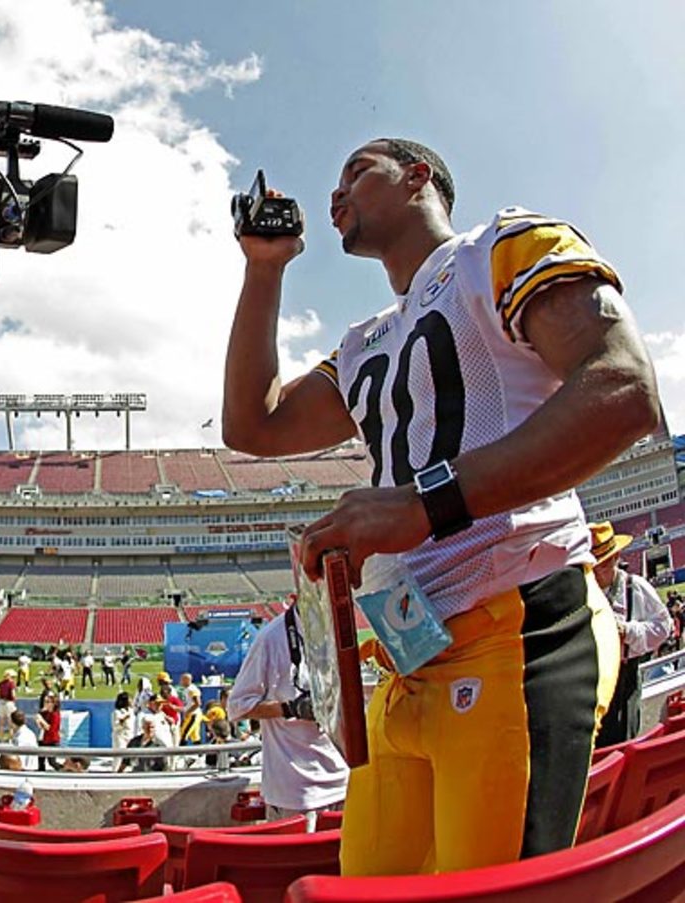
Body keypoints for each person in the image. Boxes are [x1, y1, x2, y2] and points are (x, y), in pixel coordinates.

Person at [223, 138, 658, 873]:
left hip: (517, 616)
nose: (336, 194)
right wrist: (264, 270)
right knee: (370, 891)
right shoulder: (364, 343)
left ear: (418, 175)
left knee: (486, 894)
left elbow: (623, 388)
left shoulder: (503, 247)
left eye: (357, 171)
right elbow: (252, 424)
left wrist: (425, 504)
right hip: (409, 654)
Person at [228, 609, 348, 826]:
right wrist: (291, 709)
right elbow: (237, 707)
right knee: (305, 860)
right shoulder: (271, 638)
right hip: (296, 792)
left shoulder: (338, 625)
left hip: (343, 782)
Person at [591, 522, 673, 745]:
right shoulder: (584, 593)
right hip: (592, 679)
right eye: (593, 567)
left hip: (625, 677)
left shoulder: (635, 586)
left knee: (625, 739)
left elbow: (663, 626)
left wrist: (628, 631)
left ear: (616, 558)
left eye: (604, 566)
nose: (598, 574)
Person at [35, 690, 62, 771]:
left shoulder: (55, 715)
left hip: (52, 741)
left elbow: (51, 729)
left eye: (47, 702)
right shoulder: (45, 713)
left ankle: (63, 769)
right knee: (41, 760)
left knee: (52, 761)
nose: (45, 704)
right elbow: (42, 727)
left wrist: (41, 720)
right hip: (43, 739)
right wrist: (38, 720)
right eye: (44, 701)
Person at [111, 691, 136, 770]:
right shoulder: (116, 712)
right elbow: (115, 726)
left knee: (129, 757)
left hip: (130, 736)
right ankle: (115, 773)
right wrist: (123, 720)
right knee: (119, 757)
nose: (131, 701)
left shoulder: (131, 711)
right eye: (129, 699)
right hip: (120, 737)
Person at [0, 668, 18, 738]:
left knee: (1, 722)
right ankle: (12, 738)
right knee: (10, 722)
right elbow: (13, 694)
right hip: (9, 703)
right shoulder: (11, 684)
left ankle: (1, 738)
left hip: (1, 703)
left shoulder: (0, 684)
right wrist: (15, 700)